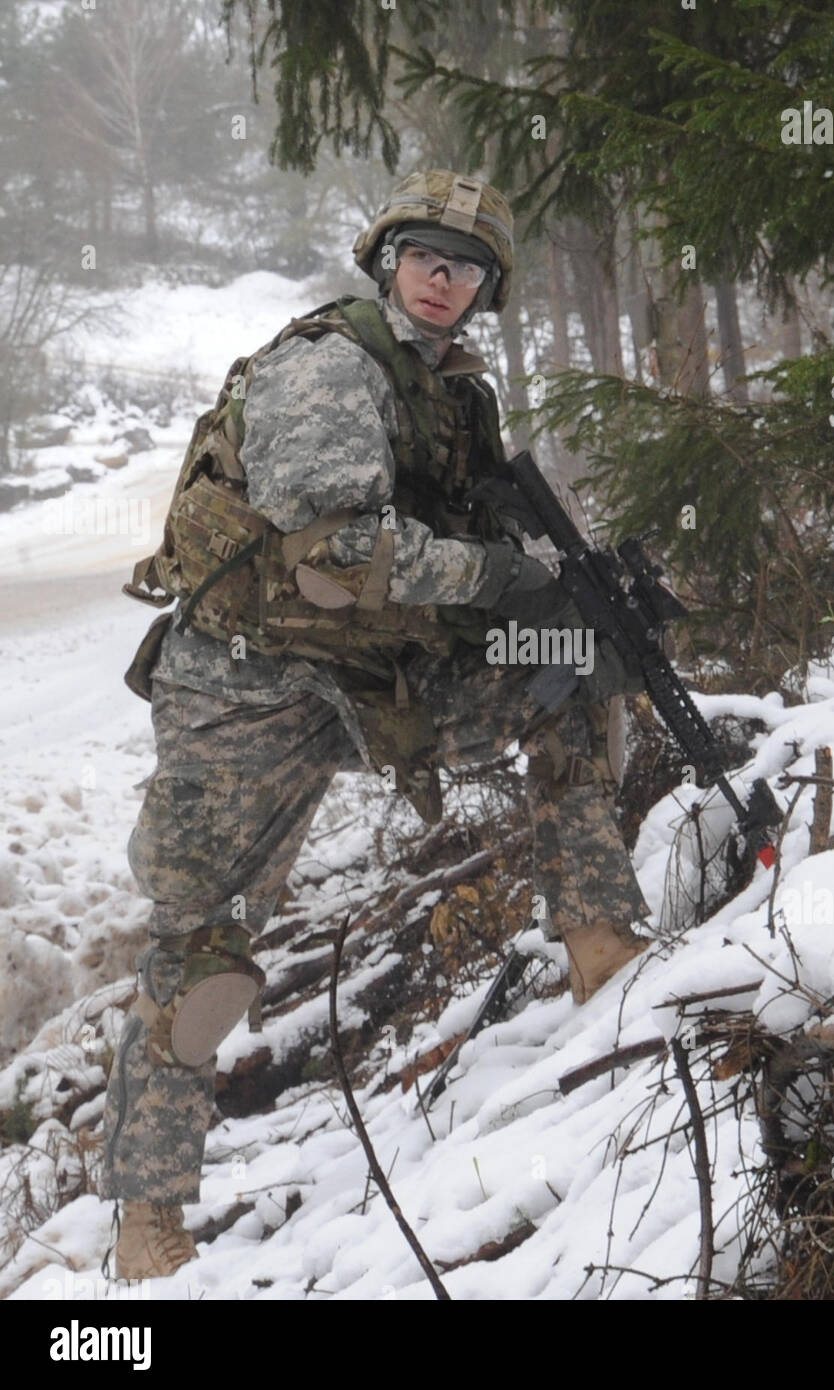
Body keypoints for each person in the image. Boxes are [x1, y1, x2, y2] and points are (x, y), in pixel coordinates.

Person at [101, 170, 651, 1280]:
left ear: (485, 291)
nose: (442, 283)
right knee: (200, 957)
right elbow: (336, 558)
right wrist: (505, 578)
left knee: (579, 668)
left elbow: (480, 525)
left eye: (466, 270)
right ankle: (146, 1226)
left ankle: (604, 955)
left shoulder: (454, 395)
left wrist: (565, 583)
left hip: (380, 685)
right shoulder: (327, 369)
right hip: (244, 695)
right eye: (425, 259)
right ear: (385, 259)